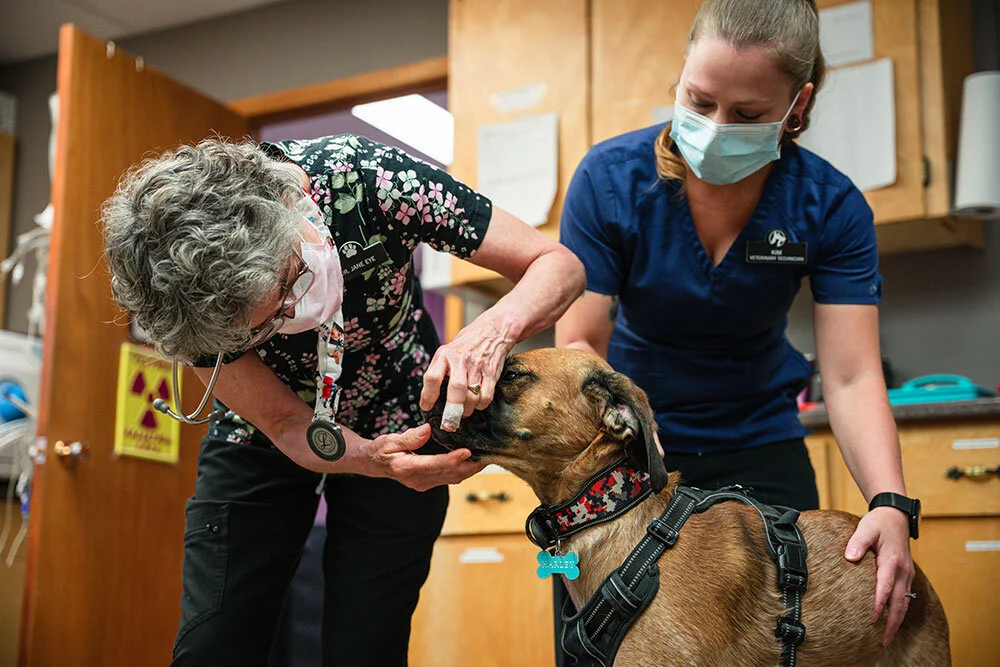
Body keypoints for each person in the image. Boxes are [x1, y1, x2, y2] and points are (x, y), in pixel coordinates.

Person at [101, 133, 585, 666]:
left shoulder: (373, 180)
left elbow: (558, 265)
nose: (293, 314)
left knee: (366, 644)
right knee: (215, 642)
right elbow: (286, 424)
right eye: (262, 329)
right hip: (261, 436)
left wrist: (486, 335)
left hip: (402, 406)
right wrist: (366, 459)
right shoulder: (189, 311)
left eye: (289, 282)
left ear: (288, 204)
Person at [555, 0, 918, 655]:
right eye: (698, 101)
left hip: (762, 450)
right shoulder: (610, 180)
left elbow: (852, 373)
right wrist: (631, 420)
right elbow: (578, 344)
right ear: (682, 76)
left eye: (748, 114)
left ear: (797, 106)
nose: (716, 128)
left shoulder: (829, 205)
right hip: (635, 457)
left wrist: (890, 501)